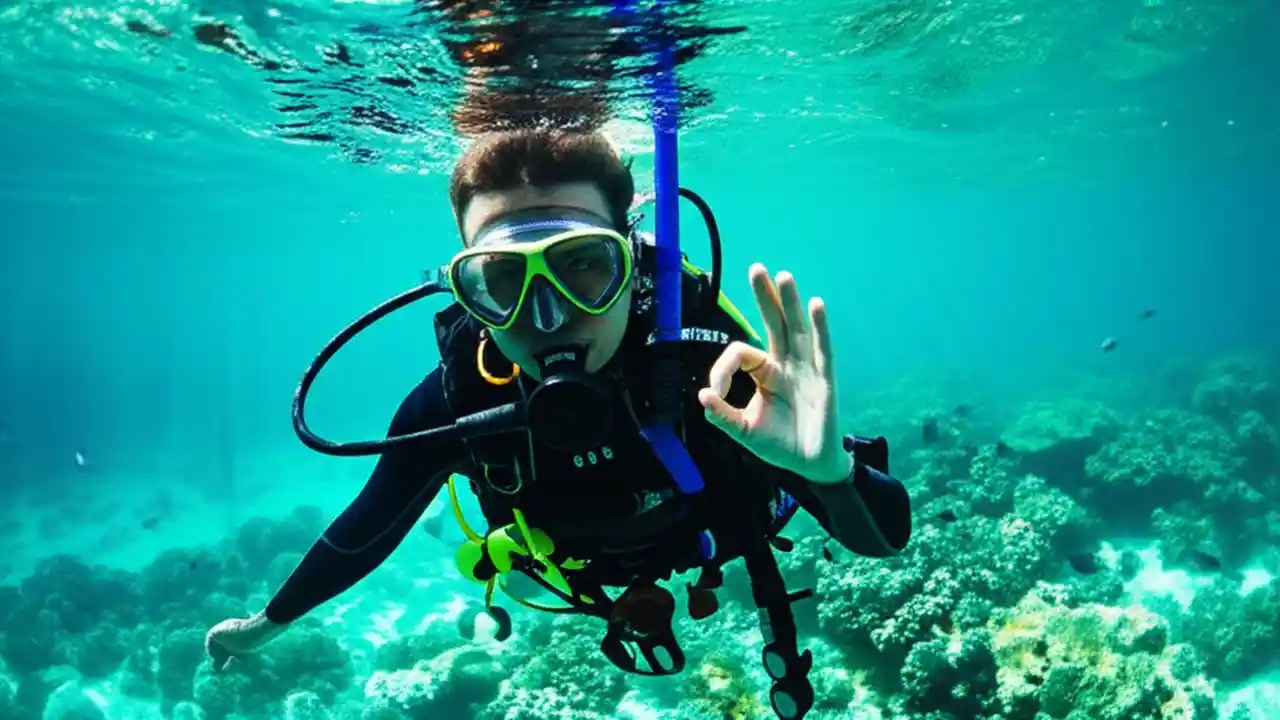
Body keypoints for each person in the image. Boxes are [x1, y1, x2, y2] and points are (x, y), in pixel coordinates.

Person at [204, 127, 912, 719]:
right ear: (466, 290)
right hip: (572, 568)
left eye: (583, 266)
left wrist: (831, 473)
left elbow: (885, 539)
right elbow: (370, 524)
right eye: (501, 279)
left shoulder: (715, 371)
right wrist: (266, 625)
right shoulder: (460, 399)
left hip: (710, 539)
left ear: (632, 261)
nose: (548, 318)